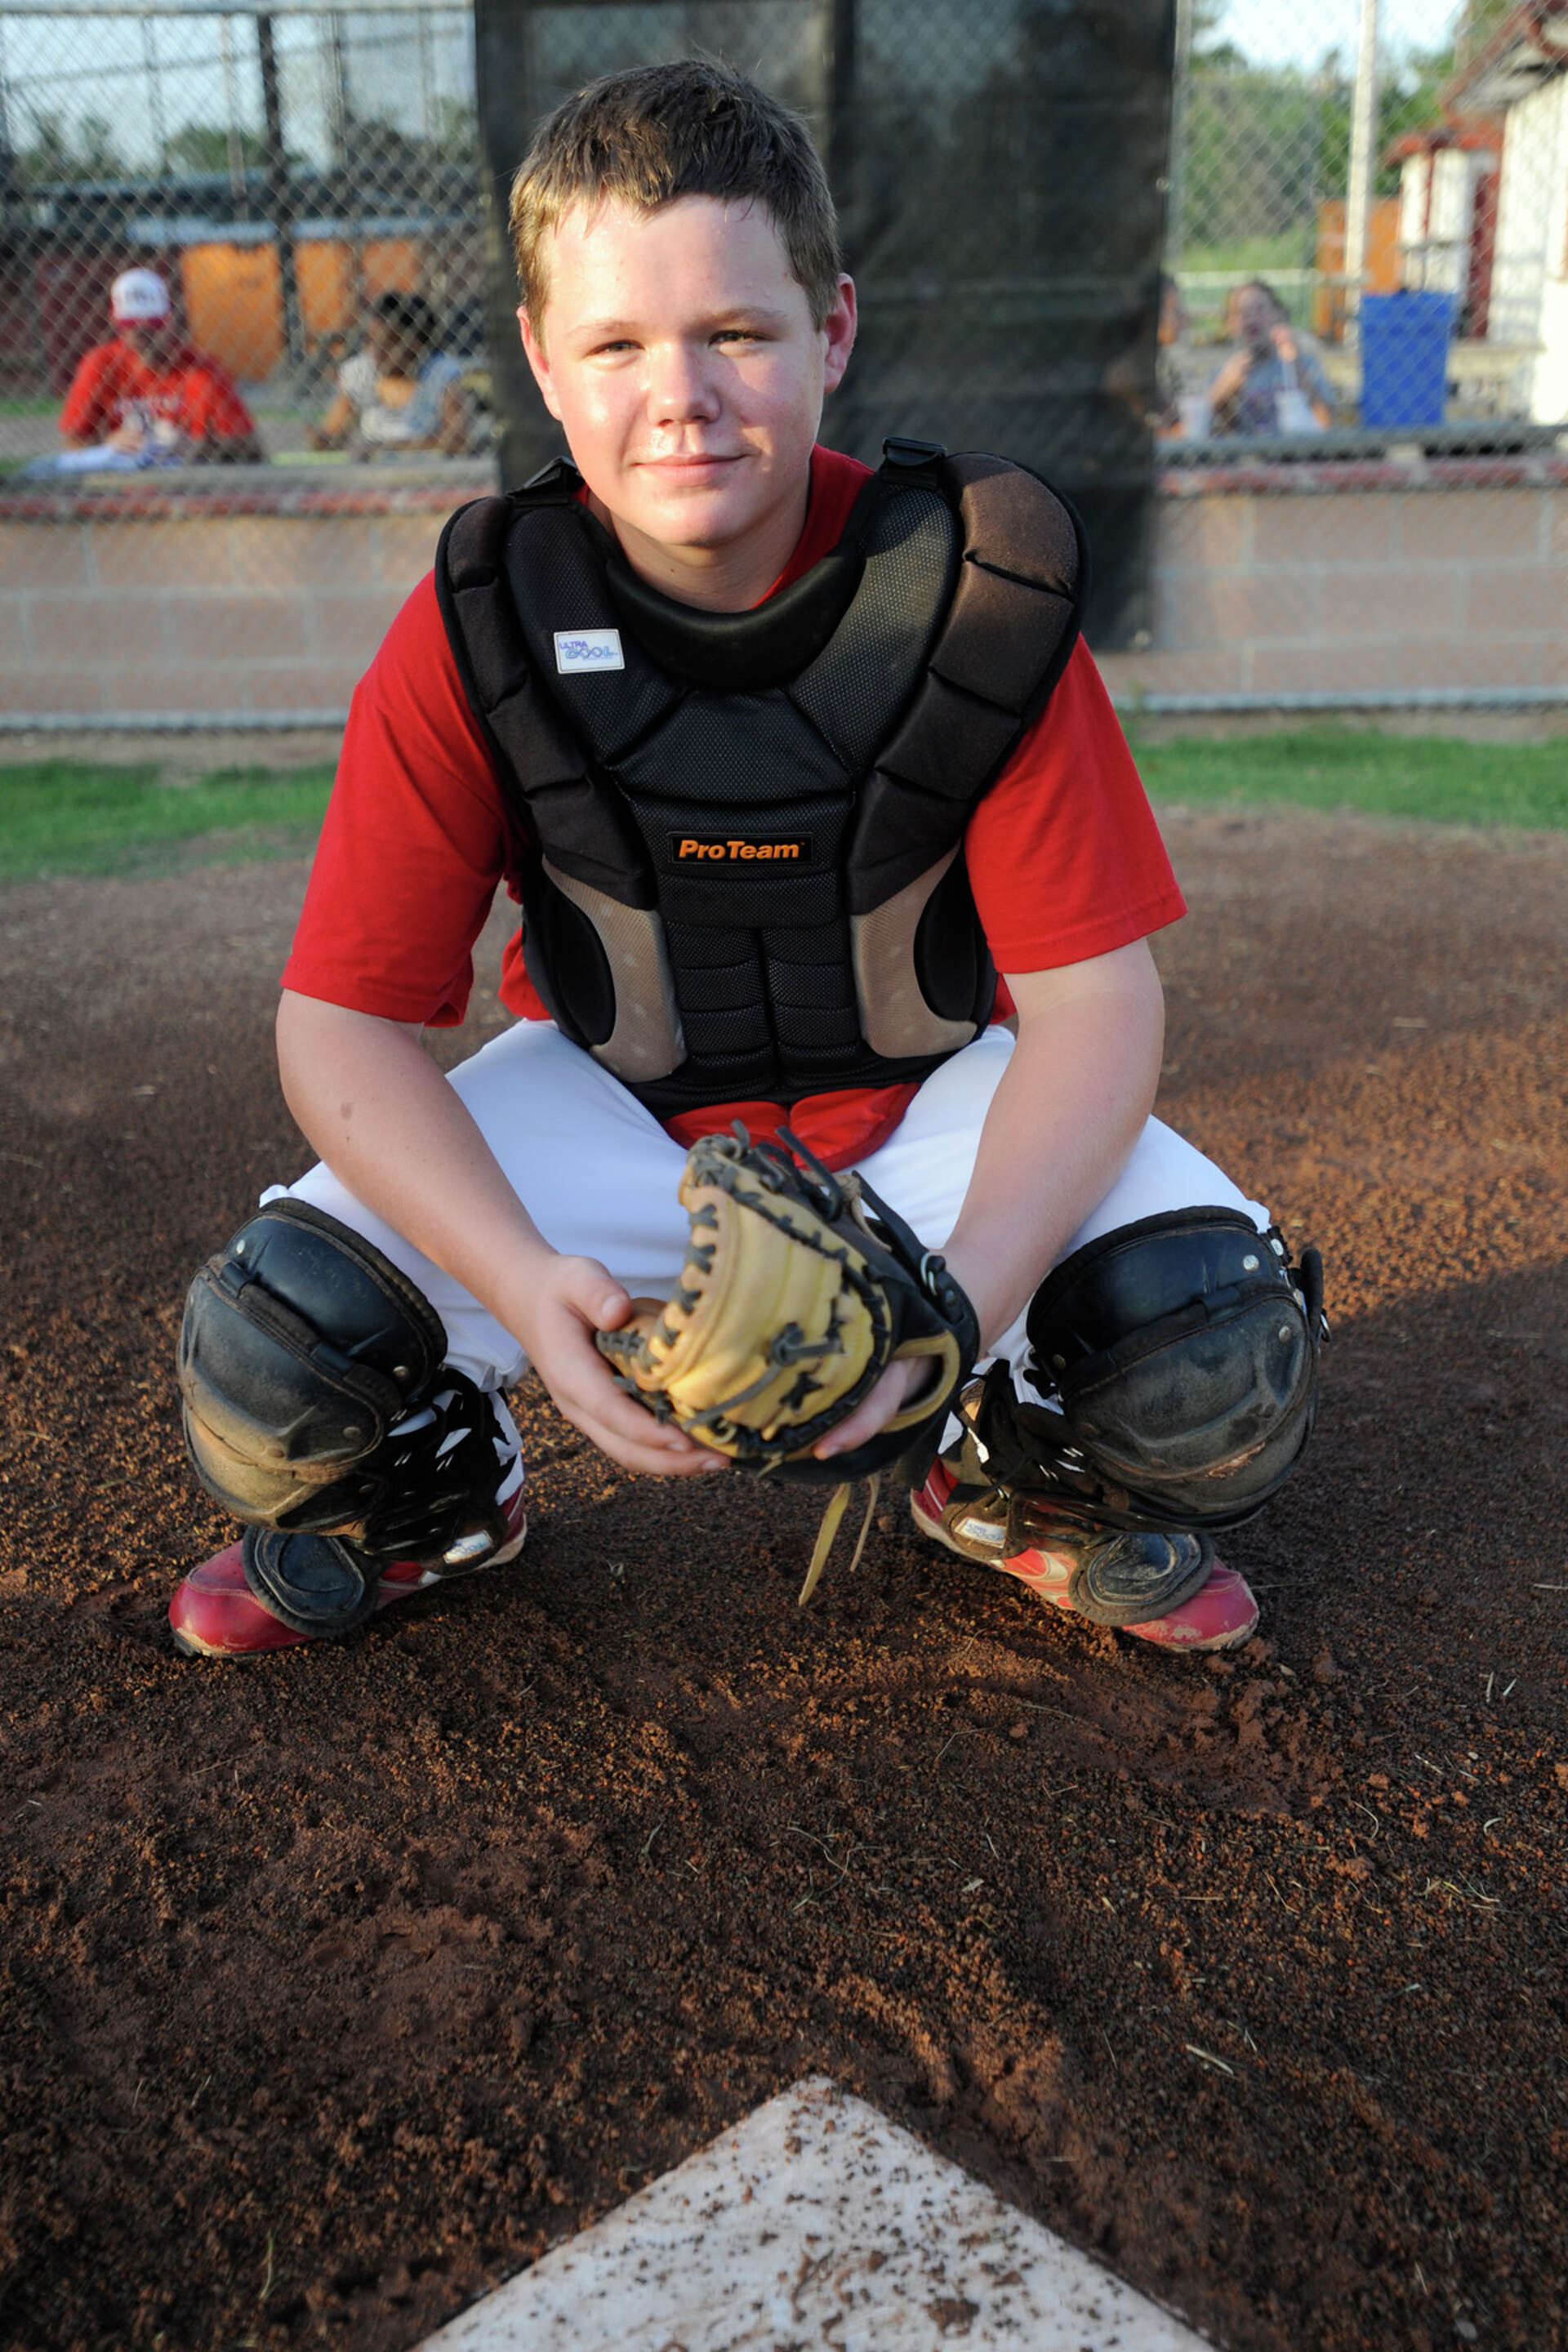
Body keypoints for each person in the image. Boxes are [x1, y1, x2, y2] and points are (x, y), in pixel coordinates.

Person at [167, 60, 1325, 1664]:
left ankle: (1012, 1468)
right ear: (537, 361)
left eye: (738, 334)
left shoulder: (973, 599)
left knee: (1202, 1358)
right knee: (277, 1364)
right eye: (618, 344)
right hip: (613, 1111)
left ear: (833, 329)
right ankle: (442, 1496)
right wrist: (514, 1274)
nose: (682, 397)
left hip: (927, 1102)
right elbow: (341, 1024)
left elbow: (1096, 1006)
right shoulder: (480, 625)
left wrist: (963, 1313)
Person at [37, 268, 263, 470]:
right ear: (115, 323)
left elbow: (250, 448)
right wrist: (109, 443)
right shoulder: (100, 364)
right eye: (132, 325)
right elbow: (72, 443)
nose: (143, 333)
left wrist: (195, 449)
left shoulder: (201, 370)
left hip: (183, 481)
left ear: (170, 320)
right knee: (42, 469)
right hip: (119, 478)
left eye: (153, 325)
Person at [307, 291, 477, 457]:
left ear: (415, 344)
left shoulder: (440, 372)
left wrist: (388, 448)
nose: (376, 353)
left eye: (388, 344)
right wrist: (322, 439)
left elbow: (458, 440)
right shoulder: (361, 371)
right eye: (371, 342)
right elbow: (333, 432)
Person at [1207, 278, 1335, 439]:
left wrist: (1296, 368)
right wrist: (1223, 387)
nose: (1251, 317)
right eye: (1241, 312)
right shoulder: (1224, 372)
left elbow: (1327, 423)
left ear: (1278, 315)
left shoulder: (1304, 364)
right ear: (1230, 324)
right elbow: (1207, 430)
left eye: (1260, 309)